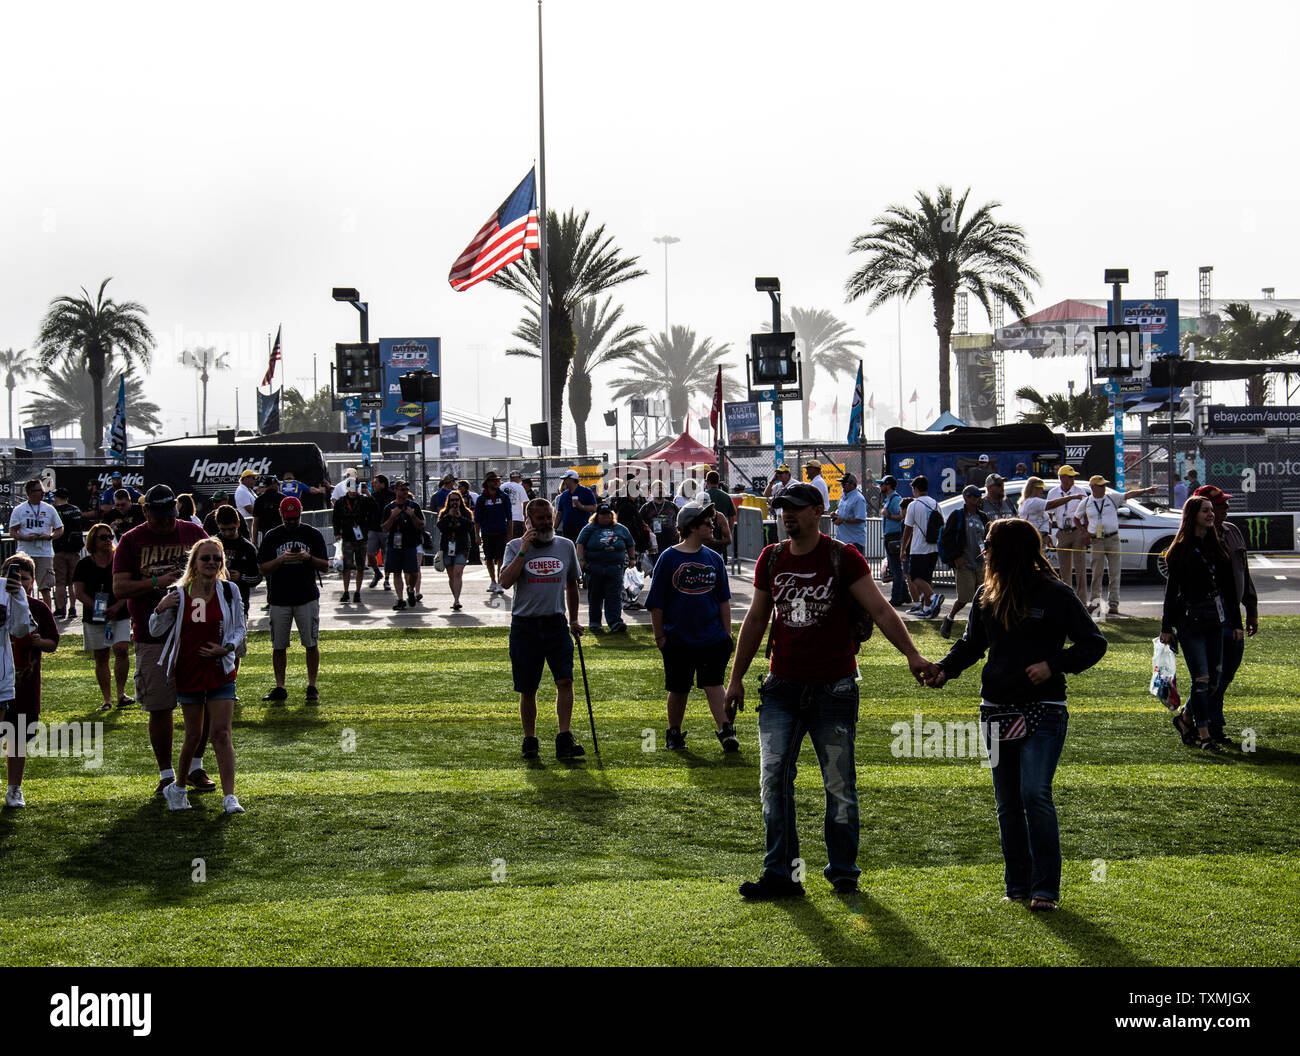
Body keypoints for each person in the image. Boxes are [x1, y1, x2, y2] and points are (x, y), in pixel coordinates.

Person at [725, 482, 938, 900]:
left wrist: (913, 655)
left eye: (797, 509)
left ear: (818, 511)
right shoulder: (771, 558)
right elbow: (754, 621)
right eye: (783, 508)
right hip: (781, 686)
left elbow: (880, 609)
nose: (788, 515)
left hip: (834, 688)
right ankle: (782, 875)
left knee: (838, 784)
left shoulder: (843, 556)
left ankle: (843, 872)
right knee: (773, 780)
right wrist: (735, 679)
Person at [927, 518, 1107, 912]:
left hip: (1044, 708)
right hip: (995, 709)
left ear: (1010, 549)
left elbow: (1094, 643)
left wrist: (1053, 664)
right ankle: (1017, 886)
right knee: (1008, 801)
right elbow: (972, 644)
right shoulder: (984, 595)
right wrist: (943, 669)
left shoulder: (1056, 594)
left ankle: (1046, 888)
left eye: (989, 544)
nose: (983, 550)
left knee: (1034, 793)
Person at [112, 485, 215, 796]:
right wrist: (157, 582)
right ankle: (167, 773)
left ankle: (195, 766)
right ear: (146, 513)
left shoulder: (194, 531)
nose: (167, 523)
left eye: (170, 515)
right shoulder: (132, 539)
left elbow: (216, 571)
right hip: (151, 633)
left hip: (194, 631)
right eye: (159, 518)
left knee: (204, 702)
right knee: (160, 706)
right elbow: (119, 587)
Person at [150, 538, 247, 814]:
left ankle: (230, 797)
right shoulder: (179, 593)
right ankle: (178, 787)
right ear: (194, 562)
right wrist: (160, 608)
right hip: (189, 670)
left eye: (216, 558)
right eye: (206, 558)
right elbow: (155, 630)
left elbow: (240, 628)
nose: (212, 563)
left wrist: (226, 648)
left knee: (221, 733)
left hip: (221, 670)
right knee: (193, 734)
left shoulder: (229, 590)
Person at [646, 498, 737, 752]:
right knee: (678, 687)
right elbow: (657, 603)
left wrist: (726, 633)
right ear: (692, 526)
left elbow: (723, 600)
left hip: (711, 637)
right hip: (678, 638)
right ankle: (673, 733)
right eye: (707, 523)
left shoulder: (714, 559)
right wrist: (660, 637)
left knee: (714, 683)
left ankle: (726, 730)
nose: (712, 526)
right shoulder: (668, 558)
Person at [499, 498, 586, 761]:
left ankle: (564, 738)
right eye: (541, 519)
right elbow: (504, 581)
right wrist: (523, 550)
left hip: (556, 623)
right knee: (528, 688)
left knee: (565, 680)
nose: (547, 522)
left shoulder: (565, 546)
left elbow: (572, 585)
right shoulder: (514, 547)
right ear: (529, 521)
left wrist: (573, 620)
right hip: (525, 625)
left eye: (549, 517)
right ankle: (530, 740)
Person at [1163, 496, 1241, 753]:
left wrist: (1236, 622)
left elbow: (1228, 589)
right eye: (1205, 511)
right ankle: (1205, 736)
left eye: (1211, 510)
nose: (1211, 514)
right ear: (1193, 515)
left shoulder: (1217, 546)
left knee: (1214, 680)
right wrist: (1166, 627)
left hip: (1215, 620)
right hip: (1190, 621)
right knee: (1202, 678)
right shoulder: (1181, 550)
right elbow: (1172, 591)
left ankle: (1185, 718)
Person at [1193, 485, 1257, 745]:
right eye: (1218, 505)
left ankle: (1194, 718)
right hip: (1210, 616)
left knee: (1226, 673)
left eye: (1221, 505)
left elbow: (1244, 572)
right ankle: (1208, 724)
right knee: (1211, 676)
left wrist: (1250, 609)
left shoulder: (1232, 532)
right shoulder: (1198, 539)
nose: (1225, 508)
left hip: (1232, 615)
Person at [0, 554, 58, 808]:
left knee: (18, 738)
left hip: (24, 682)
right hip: (4, 679)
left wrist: (38, 641)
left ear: (33, 581)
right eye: (14, 577)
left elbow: (32, 632)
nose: (19, 583)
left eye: (24, 579)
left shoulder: (36, 606)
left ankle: (14, 788)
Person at [258, 495, 328, 703]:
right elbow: (262, 568)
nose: (291, 522)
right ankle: (280, 686)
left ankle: (312, 685)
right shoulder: (272, 536)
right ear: (281, 515)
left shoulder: (312, 534)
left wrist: (307, 558)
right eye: (287, 518)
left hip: (306, 596)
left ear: (300, 514)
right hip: (279, 597)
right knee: (278, 645)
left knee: (310, 643)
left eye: (294, 518)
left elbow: (324, 565)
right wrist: (281, 559)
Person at [1076, 474, 1158, 616]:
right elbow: (1076, 518)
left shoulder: (1111, 497)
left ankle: (1113, 604)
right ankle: (1095, 603)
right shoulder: (1086, 502)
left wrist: (1145, 490)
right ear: (1093, 487)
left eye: (1104, 485)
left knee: (1115, 572)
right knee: (1097, 573)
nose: (1104, 488)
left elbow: (1129, 494)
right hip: (1097, 540)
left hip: (1113, 538)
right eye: (1101, 485)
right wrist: (1084, 532)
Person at [74, 523, 134, 712]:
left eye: (110, 536)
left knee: (121, 649)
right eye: (103, 537)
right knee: (101, 656)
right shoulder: (84, 564)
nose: (108, 540)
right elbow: (79, 592)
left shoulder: (120, 560)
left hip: (121, 613)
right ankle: (107, 699)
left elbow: (130, 586)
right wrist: (98, 609)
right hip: (96, 616)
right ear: (93, 540)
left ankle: (121, 694)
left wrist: (116, 607)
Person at [938, 485, 990, 639]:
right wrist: (956, 557)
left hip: (981, 563)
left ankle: (981, 626)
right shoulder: (958, 515)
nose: (977, 499)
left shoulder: (983, 517)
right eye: (973, 496)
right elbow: (947, 539)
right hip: (965, 563)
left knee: (983, 597)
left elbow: (987, 538)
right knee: (964, 598)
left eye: (978, 496)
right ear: (966, 498)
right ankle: (949, 618)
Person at [576, 502, 635, 633]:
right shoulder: (589, 528)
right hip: (594, 567)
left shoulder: (620, 528)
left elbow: (630, 543)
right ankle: (595, 624)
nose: (605, 517)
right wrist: (581, 560)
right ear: (597, 516)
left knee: (613, 596)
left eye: (608, 514)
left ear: (611, 515)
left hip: (614, 567)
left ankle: (615, 622)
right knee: (595, 596)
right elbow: (580, 544)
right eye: (602, 515)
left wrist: (632, 558)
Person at [8, 478, 63, 611]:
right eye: (40, 490)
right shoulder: (19, 509)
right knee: (24, 586)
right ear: (31, 492)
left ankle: (47, 614)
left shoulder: (49, 509)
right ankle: (24, 612)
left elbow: (59, 529)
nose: (43, 493)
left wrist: (49, 536)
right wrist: (24, 537)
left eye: (43, 490)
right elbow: (12, 531)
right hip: (25, 553)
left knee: (45, 587)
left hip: (44, 553)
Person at [901, 475, 944, 619]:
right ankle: (926, 608)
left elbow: (908, 529)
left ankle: (933, 597)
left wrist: (903, 549)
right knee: (926, 578)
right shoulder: (935, 504)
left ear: (916, 489)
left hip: (919, 547)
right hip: (933, 547)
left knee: (915, 577)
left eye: (913, 488)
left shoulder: (913, 505)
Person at [1046, 466, 1089, 604]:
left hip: (1077, 531)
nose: (1072, 479)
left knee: (1080, 568)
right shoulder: (1053, 493)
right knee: (1064, 570)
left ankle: (1082, 601)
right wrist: (1048, 534)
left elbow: (1087, 512)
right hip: (1062, 532)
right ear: (1062, 478)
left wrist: (1086, 532)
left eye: (1073, 477)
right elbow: (1049, 515)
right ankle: (1068, 600)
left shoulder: (1080, 491)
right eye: (1070, 477)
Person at [381, 481, 425, 611]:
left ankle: (411, 589)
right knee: (396, 572)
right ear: (396, 491)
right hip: (394, 545)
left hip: (410, 544)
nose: (405, 492)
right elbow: (384, 528)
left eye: (406, 489)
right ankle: (400, 599)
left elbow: (421, 525)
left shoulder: (414, 506)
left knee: (413, 572)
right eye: (402, 490)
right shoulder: (389, 508)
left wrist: (412, 516)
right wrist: (392, 517)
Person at [212, 505, 260, 614]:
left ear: (238, 523)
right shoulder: (212, 545)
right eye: (223, 529)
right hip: (216, 602)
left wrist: (241, 576)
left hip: (239, 602)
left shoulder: (247, 547)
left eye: (231, 529)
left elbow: (257, 577)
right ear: (218, 525)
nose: (227, 533)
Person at [1017, 476, 1082, 550]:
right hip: (1033, 537)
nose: (1042, 490)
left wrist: (1047, 535)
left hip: (1037, 535)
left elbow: (1041, 520)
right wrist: (1071, 497)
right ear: (1033, 489)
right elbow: (1052, 504)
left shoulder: (1026, 502)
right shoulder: (1033, 501)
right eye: (1040, 488)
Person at [436, 491, 476, 611]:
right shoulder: (444, 513)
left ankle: (457, 600)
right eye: (452, 500)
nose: (454, 502)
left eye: (456, 500)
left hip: (462, 547)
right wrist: (449, 516)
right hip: (447, 547)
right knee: (451, 575)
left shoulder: (466, 513)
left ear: (460, 501)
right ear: (449, 502)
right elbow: (440, 527)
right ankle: (455, 598)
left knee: (458, 572)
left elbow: (470, 527)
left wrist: (460, 517)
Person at [331, 481, 369, 604]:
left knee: (360, 566)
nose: (353, 490)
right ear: (347, 488)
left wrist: (367, 493)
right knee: (346, 566)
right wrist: (337, 533)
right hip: (347, 536)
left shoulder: (363, 500)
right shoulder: (341, 502)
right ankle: (346, 591)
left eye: (355, 487)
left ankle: (357, 592)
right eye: (351, 487)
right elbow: (335, 519)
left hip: (361, 537)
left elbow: (374, 508)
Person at [50, 488, 85, 620]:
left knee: (60, 582)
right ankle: (72, 608)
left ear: (56, 497)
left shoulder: (55, 510)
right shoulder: (75, 509)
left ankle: (60, 609)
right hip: (75, 550)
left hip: (59, 549)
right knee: (72, 582)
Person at [475, 473, 512, 595]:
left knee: (501, 557)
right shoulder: (482, 499)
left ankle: (500, 582)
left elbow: (509, 517)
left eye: (498, 480)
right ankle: (493, 581)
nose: (496, 483)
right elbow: (477, 519)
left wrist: (509, 533)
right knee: (489, 558)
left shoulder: (504, 497)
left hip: (501, 531)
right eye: (493, 481)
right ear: (487, 482)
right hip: (487, 533)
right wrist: (477, 535)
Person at [878, 475, 910, 606]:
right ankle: (906, 596)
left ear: (888, 485)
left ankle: (896, 598)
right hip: (890, 536)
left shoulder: (896, 499)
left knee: (896, 569)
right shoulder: (889, 499)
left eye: (882, 484)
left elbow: (902, 516)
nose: (880, 487)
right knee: (895, 567)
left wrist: (889, 515)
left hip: (894, 536)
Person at [611, 477, 651, 563]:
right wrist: (641, 543)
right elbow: (633, 527)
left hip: (627, 543)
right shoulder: (627, 507)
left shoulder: (624, 504)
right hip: (631, 544)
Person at [367, 474, 396, 590]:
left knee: (387, 555)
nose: (375, 484)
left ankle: (387, 579)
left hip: (387, 530)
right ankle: (377, 572)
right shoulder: (372, 496)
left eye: (377, 482)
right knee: (370, 553)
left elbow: (381, 509)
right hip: (373, 529)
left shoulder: (391, 496)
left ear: (383, 484)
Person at [555, 469, 597, 543]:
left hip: (583, 529)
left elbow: (594, 508)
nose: (564, 481)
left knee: (581, 550)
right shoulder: (564, 494)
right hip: (567, 531)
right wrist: (554, 528)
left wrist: (581, 506)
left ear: (572, 479)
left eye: (566, 479)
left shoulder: (586, 491)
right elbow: (559, 513)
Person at [640, 482, 680, 560]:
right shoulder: (646, 508)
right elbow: (640, 525)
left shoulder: (672, 506)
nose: (661, 490)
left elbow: (679, 523)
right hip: (654, 546)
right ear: (651, 491)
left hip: (672, 544)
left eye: (663, 488)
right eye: (658, 488)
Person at [830, 471, 867, 555]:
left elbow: (861, 519)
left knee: (854, 567)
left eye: (844, 483)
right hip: (842, 539)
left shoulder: (859, 498)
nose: (842, 485)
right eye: (842, 483)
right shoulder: (843, 496)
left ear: (852, 484)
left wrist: (843, 520)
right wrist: (835, 514)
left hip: (854, 541)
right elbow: (840, 510)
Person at [704, 470, 737, 559]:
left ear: (707, 481)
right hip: (721, 533)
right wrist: (729, 534)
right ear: (718, 481)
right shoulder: (726, 497)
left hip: (705, 533)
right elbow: (731, 518)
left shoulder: (703, 496)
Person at [251, 476, 284, 545]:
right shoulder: (283, 498)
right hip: (281, 534)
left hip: (266, 535)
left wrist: (254, 541)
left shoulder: (259, 500)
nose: (278, 486)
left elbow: (255, 522)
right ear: (273, 484)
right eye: (277, 484)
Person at [502, 470, 530, 539]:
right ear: (517, 478)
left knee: (504, 540)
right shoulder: (519, 487)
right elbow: (526, 503)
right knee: (516, 540)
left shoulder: (502, 486)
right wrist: (526, 518)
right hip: (517, 518)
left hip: (503, 519)